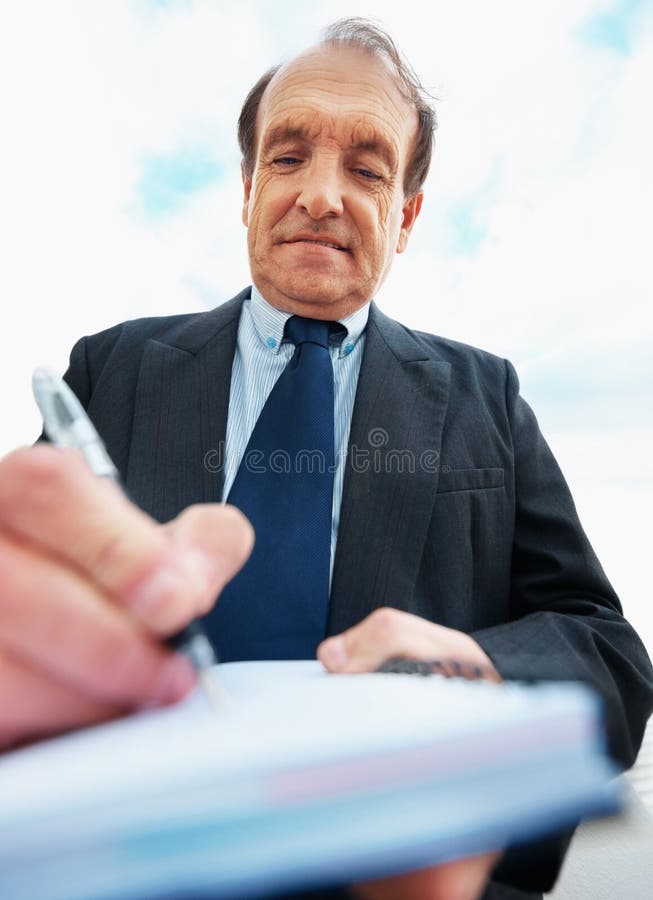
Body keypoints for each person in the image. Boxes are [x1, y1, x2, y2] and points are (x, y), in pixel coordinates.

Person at [1, 16, 651, 900]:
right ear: (245, 187)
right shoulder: (109, 371)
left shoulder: (485, 395)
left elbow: (608, 655)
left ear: (406, 216)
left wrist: (463, 665)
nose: (320, 195)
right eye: (288, 155)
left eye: (366, 169)